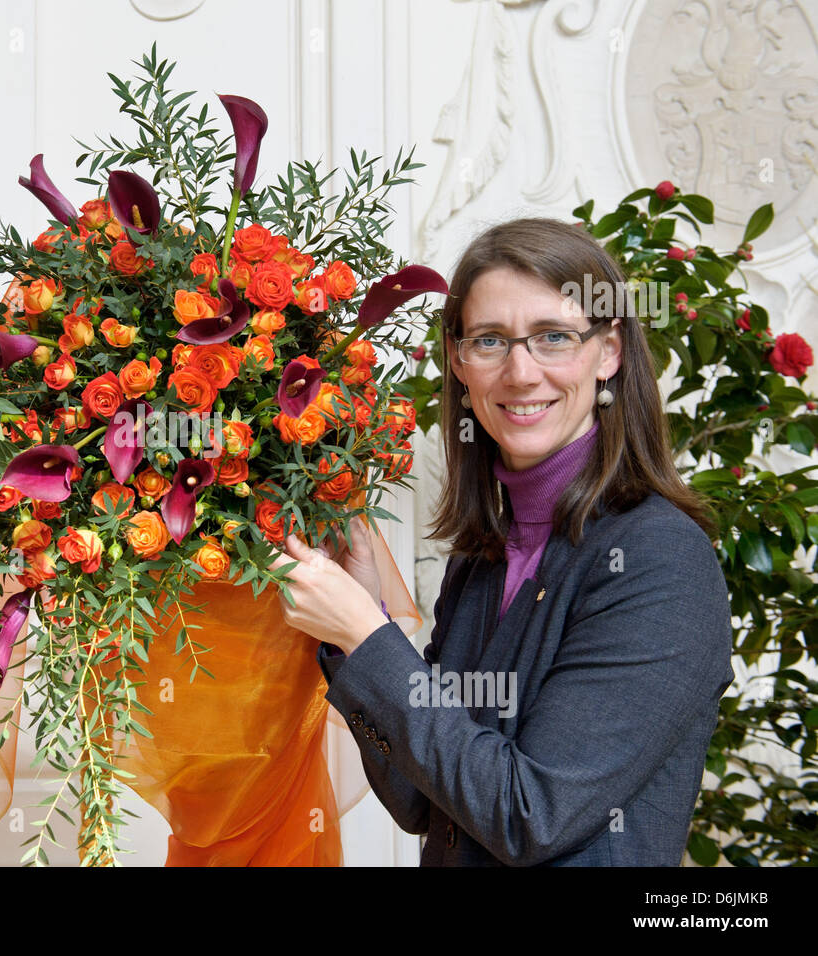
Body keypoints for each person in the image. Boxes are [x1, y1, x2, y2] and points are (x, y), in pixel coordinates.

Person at [278, 217, 734, 865]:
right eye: (489, 341)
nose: (520, 373)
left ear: (609, 352)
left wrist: (366, 638)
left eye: (553, 337)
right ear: (460, 364)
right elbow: (417, 797)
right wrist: (367, 608)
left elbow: (531, 815)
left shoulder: (661, 560)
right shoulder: (486, 552)